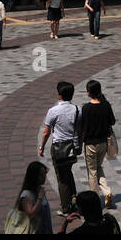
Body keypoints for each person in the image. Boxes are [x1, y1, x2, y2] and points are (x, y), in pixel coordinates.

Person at [39, 81, 80, 215]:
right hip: (72, 147)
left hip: (59, 149)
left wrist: (41, 147)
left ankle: (66, 208)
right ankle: (74, 199)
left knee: (61, 179)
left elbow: (46, 132)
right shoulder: (77, 110)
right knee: (68, 172)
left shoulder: (53, 111)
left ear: (59, 95)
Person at [78, 79, 115, 208]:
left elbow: (84, 130)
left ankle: (94, 199)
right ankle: (107, 191)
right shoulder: (106, 105)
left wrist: (79, 144)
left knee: (92, 171)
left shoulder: (86, 108)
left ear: (88, 93)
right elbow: (112, 122)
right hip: (104, 143)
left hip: (91, 145)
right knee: (98, 167)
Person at [7, 161, 53, 235]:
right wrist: (40, 198)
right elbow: (31, 214)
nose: (44, 177)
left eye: (45, 174)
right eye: (41, 175)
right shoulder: (26, 195)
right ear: (34, 177)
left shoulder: (40, 189)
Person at [57, 191, 121, 235]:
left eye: (78, 206)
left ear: (82, 209)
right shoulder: (110, 219)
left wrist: (65, 222)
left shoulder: (82, 231)